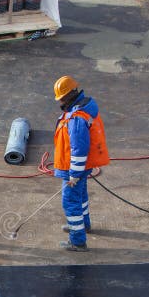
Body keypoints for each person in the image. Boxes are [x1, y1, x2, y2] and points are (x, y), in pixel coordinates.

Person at [52, 75, 109, 252]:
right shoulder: (82, 109)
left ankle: (77, 241)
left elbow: (79, 149)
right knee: (81, 196)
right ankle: (84, 225)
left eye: (61, 98)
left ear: (68, 96)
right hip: (81, 167)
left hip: (74, 169)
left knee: (70, 202)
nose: (59, 101)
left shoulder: (77, 118)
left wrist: (74, 175)